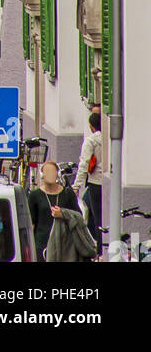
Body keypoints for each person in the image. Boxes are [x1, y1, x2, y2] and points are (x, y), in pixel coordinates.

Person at [28, 160, 81, 260]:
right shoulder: (34, 195)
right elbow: (31, 223)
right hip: (42, 244)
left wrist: (63, 214)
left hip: (64, 243)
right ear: (42, 175)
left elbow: (79, 216)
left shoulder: (67, 193)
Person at [75, 107, 103, 255]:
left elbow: (84, 163)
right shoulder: (108, 138)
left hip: (95, 183)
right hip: (106, 182)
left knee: (96, 216)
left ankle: (99, 250)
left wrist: (76, 185)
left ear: (91, 126)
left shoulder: (91, 141)